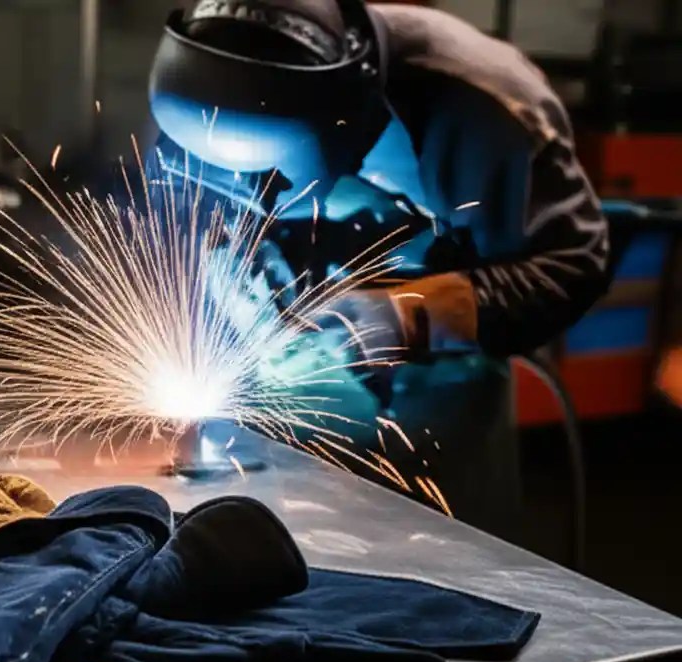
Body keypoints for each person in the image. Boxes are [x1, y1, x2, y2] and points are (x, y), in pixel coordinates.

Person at [146, 0, 612, 538]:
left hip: (436, 394)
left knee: (439, 555)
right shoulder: (205, 85)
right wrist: (228, 267)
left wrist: (404, 317)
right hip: (292, 406)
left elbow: (571, 265)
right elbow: (185, 214)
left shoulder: (479, 109)